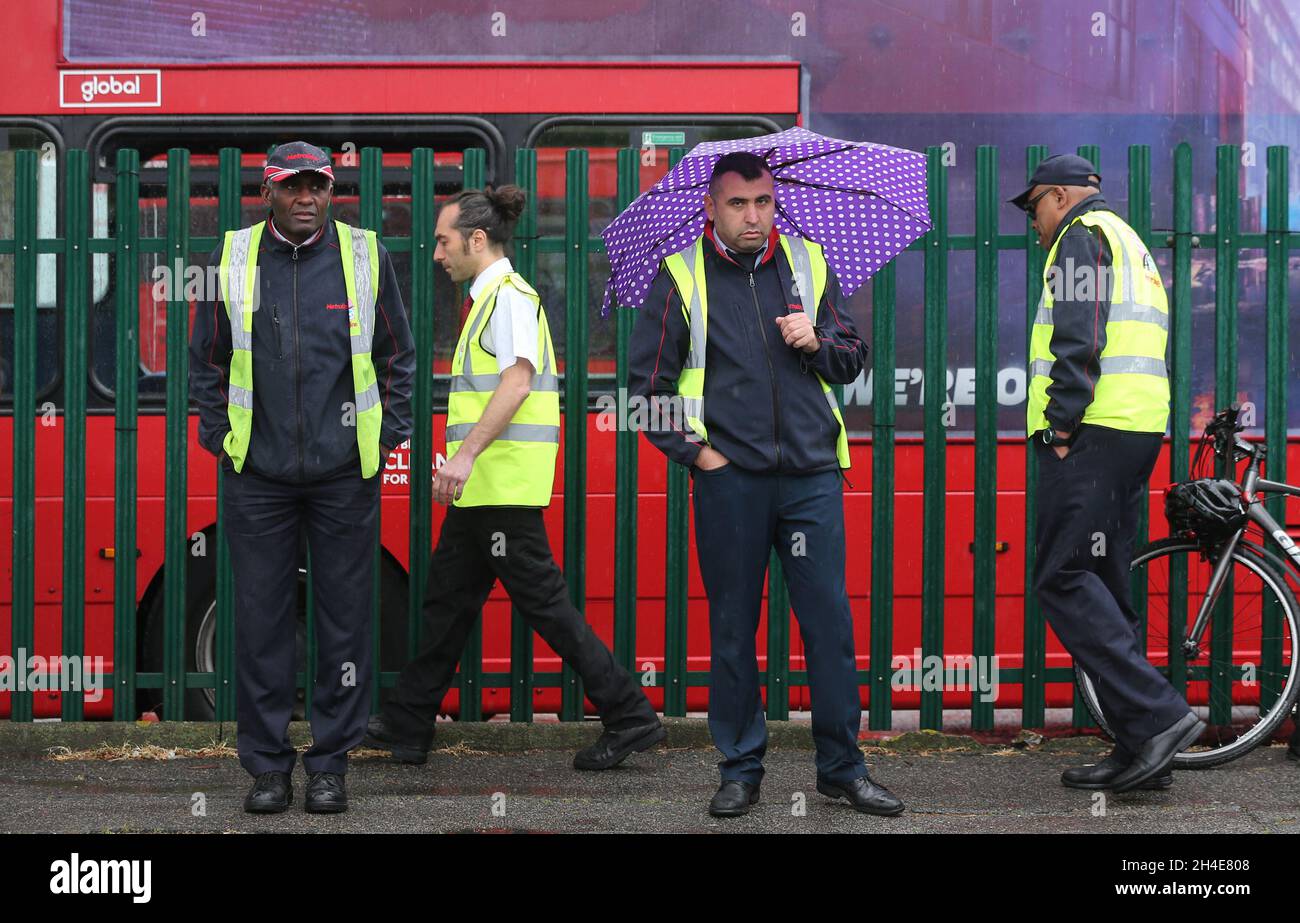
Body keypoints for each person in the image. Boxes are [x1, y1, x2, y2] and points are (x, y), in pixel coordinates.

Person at [627, 151, 903, 818]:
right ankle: (740, 767)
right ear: (711, 209)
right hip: (732, 483)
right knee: (732, 629)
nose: (754, 216)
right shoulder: (679, 277)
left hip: (810, 477)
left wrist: (817, 341)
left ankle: (842, 767)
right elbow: (644, 394)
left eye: (764, 202)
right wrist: (700, 456)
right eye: (738, 204)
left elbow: (851, 359)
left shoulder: (807, 263)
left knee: (830, 625)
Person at [361, 186, 664, 769]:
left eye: (444, 242)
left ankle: (629, 716)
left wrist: (466, 455)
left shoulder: (510, 299)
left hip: (500, 490)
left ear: (477, 240)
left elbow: (517, 382)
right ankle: (409, 722)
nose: (436, 255)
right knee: (446, 605)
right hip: (484, 493)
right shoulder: (489, 299)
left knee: (546, 607)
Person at [190, 141, 415, 814]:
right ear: (269, 192)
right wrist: (222, 440)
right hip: (256, 476)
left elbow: (397, 354)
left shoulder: (364, 255)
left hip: (343, 475)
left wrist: (384, 434)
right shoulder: (231, 258)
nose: (307, 197)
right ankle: (266, 768)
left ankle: (329, 766)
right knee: (259, 623)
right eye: (293, 187)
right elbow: (205, 359)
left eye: (318, 185)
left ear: (330, 190)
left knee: (344, 625)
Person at [1010, 153, 1204, 793]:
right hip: (1136, 428)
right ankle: (1138, 747)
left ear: (1060, 196)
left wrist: (1061, 425)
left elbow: (1078, 336)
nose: (1033, 222)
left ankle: (1160, 717)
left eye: (1034, 205)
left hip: (1093, 431)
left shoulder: (1079, 238)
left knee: (1061, 575)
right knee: (1107, 579)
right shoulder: (1130, 242)